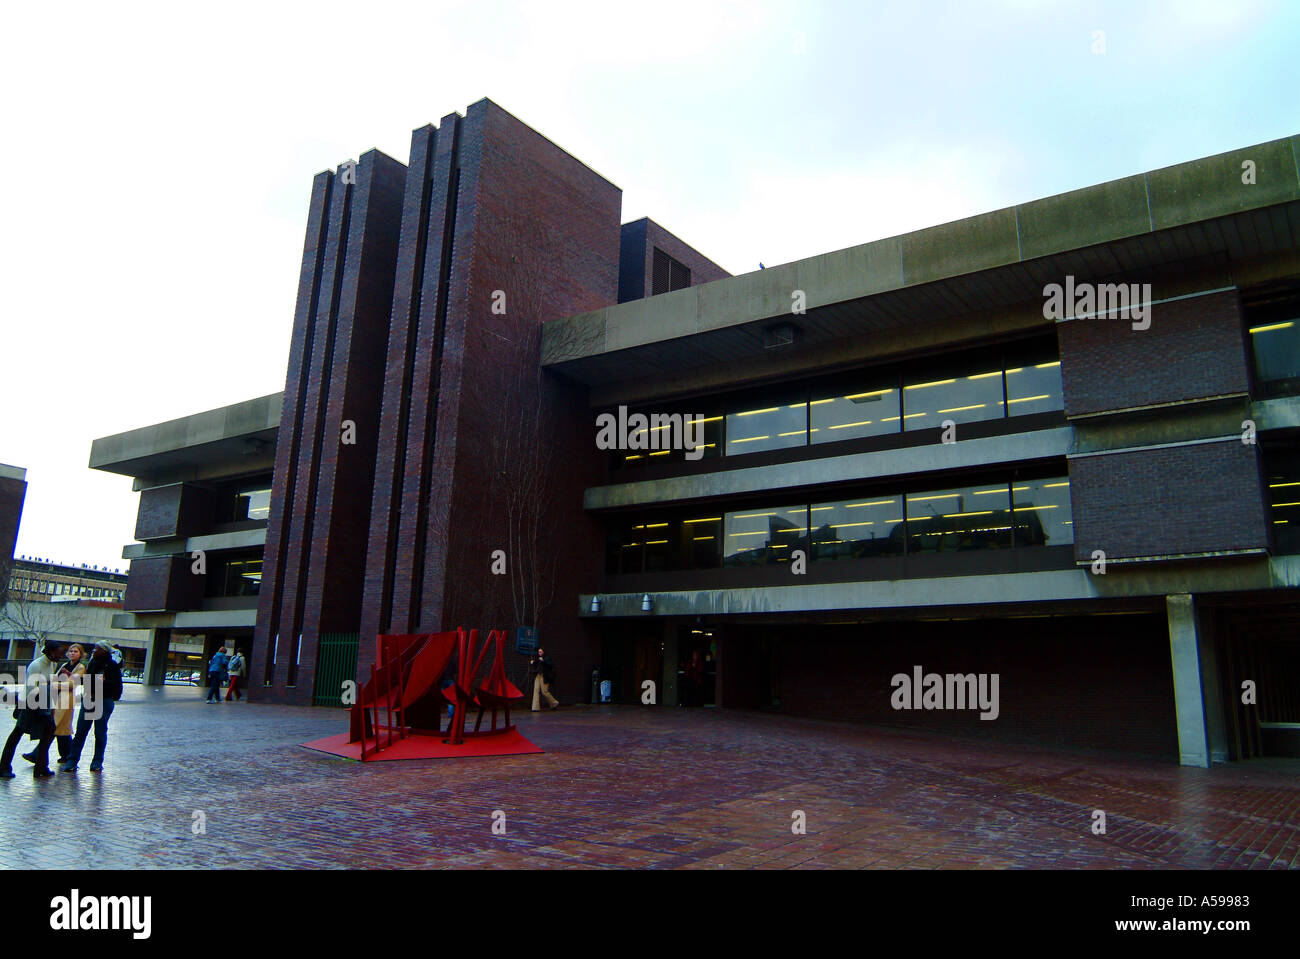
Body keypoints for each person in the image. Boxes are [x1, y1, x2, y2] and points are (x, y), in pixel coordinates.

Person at [1, 638, 69, 779]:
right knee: (17, 734)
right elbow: (34, 689)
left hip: (43, 703)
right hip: (30, 703)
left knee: (48, 733)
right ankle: (4, 767)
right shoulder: (36, 665)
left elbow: (48, 682)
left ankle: (41, 767)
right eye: (58, 653)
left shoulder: (51, 664)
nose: (60, 656)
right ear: (50, 652)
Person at [58, 641, 123, 773]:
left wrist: (101, 684)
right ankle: (72, 760)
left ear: (104, 651)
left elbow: (115, 686)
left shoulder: (111, 665)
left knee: (99, 732)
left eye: (97, 648)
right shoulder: (93, 663)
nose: (94, 651)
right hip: (89, 698)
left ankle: (97, 761)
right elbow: (87, 681)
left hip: (103, 700)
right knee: (81, 731)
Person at [52, 643, 87, 762]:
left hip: (67, 698)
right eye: (71, 651)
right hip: (57, 697)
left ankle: (37, 753)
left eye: (76, 651)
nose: (72, 653)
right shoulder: (64, 665)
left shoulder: (80, 667)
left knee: (55, 725)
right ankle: (67, 754)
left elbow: (72, 684)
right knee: (62, 728)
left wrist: (56, 685)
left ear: (81, 654)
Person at [528, 647, 559, 711]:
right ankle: (535, 707)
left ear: (543, 652)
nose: (539, 653)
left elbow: (550, 665)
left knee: (544, 692)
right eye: (539, 652)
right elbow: (536, 665)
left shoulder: (547, 658)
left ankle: (554, 703)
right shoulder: (538, 658)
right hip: (538, 675)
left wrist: (543, 661)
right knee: (536, 691)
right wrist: (533, 662)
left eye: (540, 652)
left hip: (544, 676)